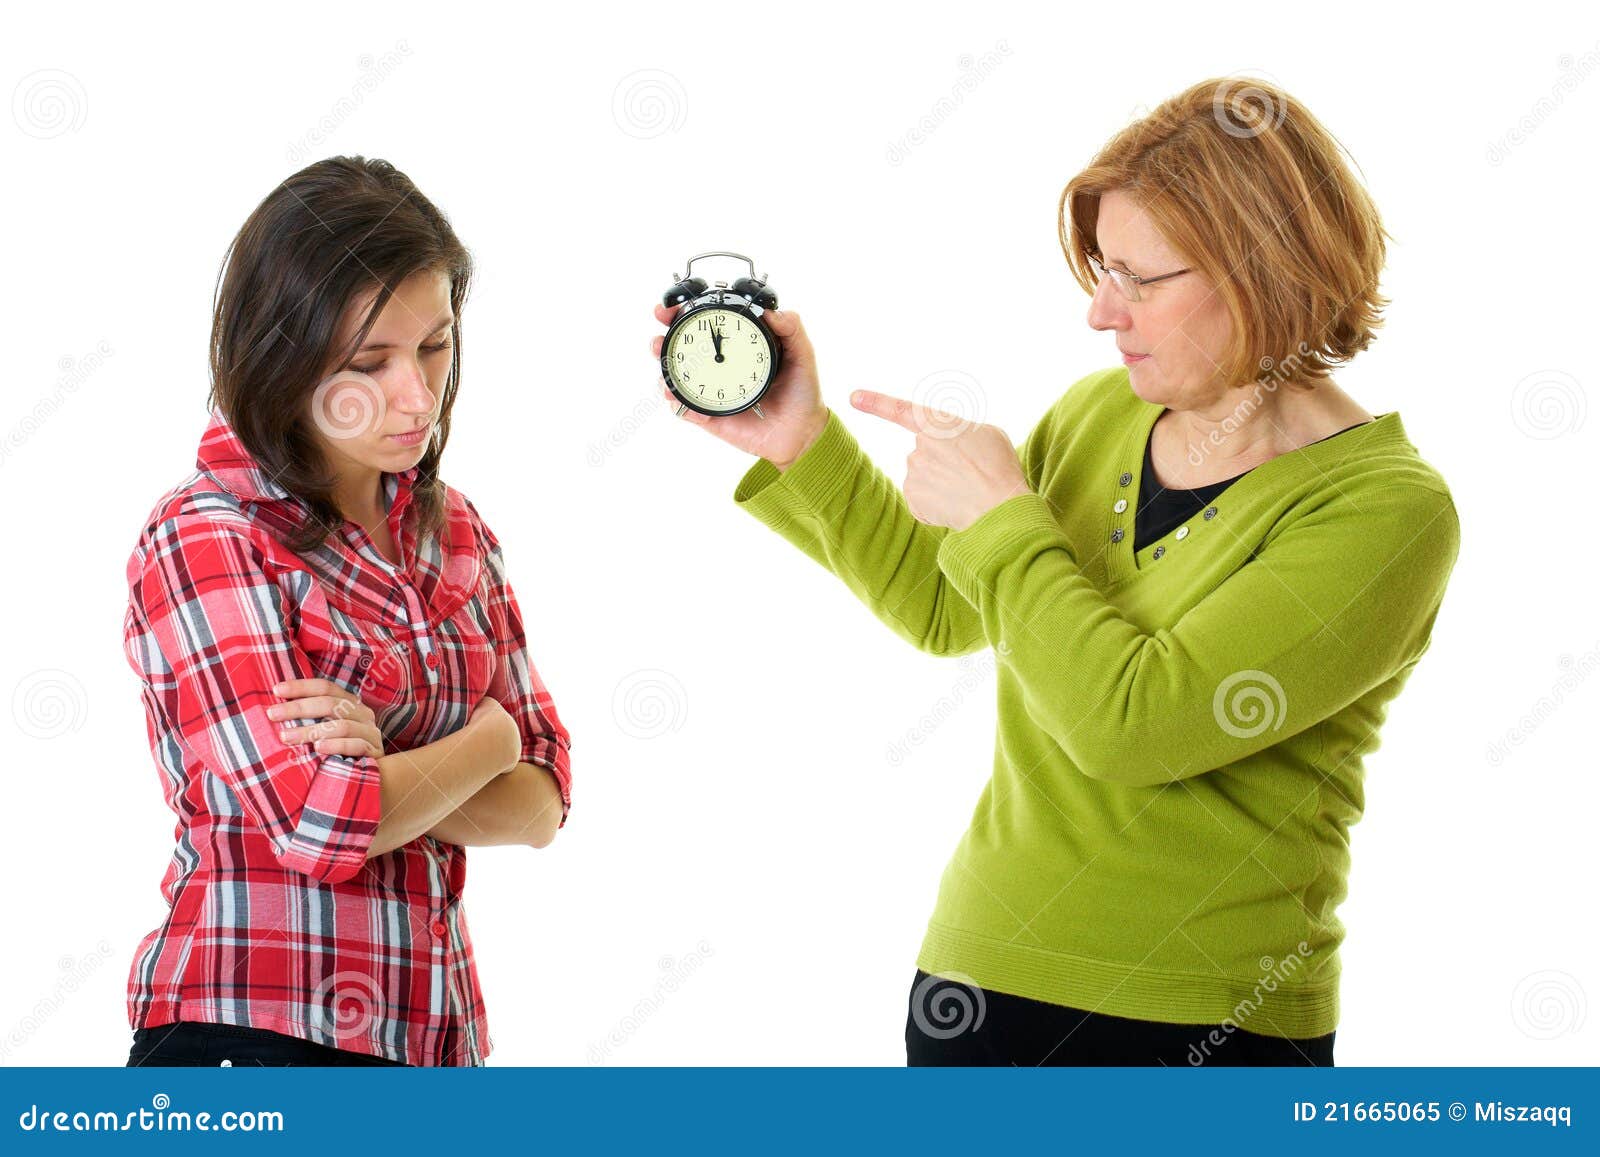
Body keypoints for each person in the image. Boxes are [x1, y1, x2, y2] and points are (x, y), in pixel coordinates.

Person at [650, 77, 1460, 1066]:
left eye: (1138, 277)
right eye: (1099, 271)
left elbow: (1132, 722)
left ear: (1265, 268)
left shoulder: (1384, 511)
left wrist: (1002, 512)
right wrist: (801, 443)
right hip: (981, 984)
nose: (1100, 313)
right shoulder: (1098, 415)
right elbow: (952, 605)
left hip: (1207, 1021)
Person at [123, 156, 571, 1067]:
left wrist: (390, 772)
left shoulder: (457, 534)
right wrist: (484, 741)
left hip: (433, 1045)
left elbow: (544, 800)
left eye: (436, 346)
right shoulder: (206, 535)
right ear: (284, 359)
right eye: (371, 362)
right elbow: (317, 824)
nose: (419, 394)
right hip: (250, 1036)